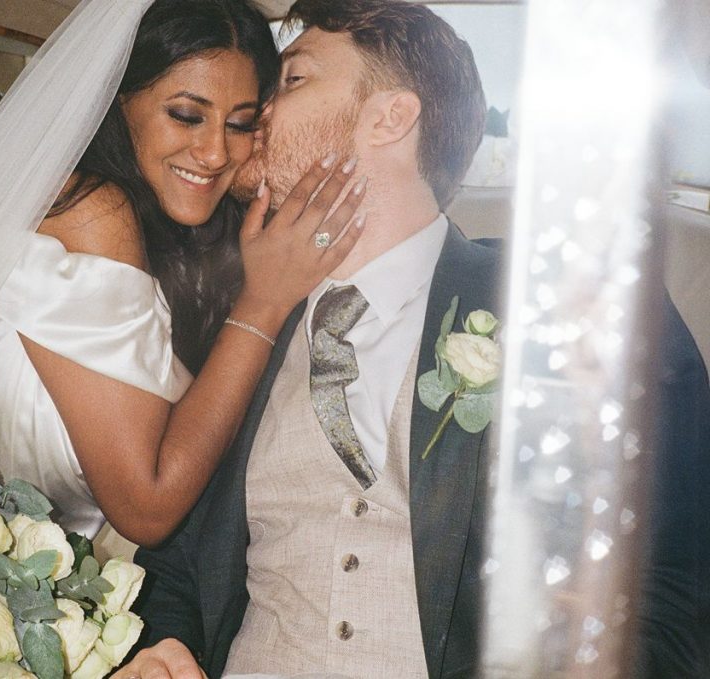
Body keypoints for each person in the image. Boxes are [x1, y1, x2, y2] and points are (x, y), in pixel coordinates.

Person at [121, 1, 709, 677]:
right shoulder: (238, 322)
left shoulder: (575, 302)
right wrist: (165, 645)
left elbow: (675, 588)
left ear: (390, 117)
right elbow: (172, 570)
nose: (257, 111)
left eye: (293, 79)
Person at [0, 0, 365, 548]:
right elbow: (147, 507)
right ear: (117, 102)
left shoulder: (181, 234)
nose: (214, 153)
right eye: (186, 115)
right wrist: (264, 304)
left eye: (240, 123)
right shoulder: (92, 212)